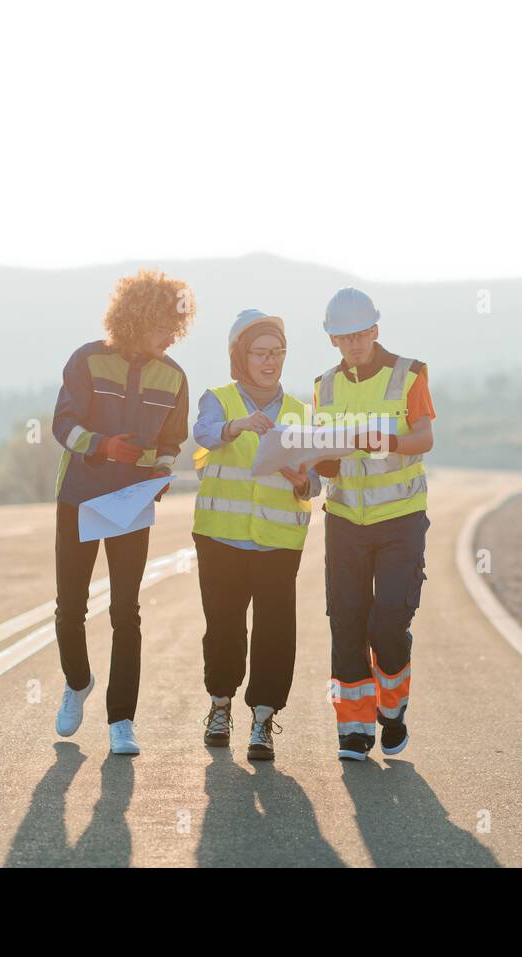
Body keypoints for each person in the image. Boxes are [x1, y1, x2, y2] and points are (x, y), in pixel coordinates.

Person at [51, 268, 193, 756]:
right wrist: (104, 446)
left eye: (179, 326)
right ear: (137, 319)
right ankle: (77, 682)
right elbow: (62, 426)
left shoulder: (174, 376)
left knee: (125, 612)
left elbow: (173, 442)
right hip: (80, 498)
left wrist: (162, 474)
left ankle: (122, 722)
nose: (173, 335)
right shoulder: (87, 360)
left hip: (131, 505)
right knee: (70, 608)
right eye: (165, 325)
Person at [191, 309, 321, 761]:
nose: (270, 361)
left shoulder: (302, 413)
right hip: (220, 538)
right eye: (260, 353)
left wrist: (299, 478)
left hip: (278, 542)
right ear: (239, 357)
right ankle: (220, 706)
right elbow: (202, 434)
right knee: (224, 627)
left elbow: (315, 482)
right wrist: (237, 427)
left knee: (275, 633)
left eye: (278, 352)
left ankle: (263, 721)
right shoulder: (220, 399)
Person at [313, 287, 435, 761]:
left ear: (375, 330)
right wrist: (318, 459)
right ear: (333, 341)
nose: (354, 345)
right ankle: (354, 730)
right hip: (344, 519)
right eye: (344, 338)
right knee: (345, 622)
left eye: (361, 335)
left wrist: (387, 439)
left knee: (387, 621)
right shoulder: (323, 385)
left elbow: (424, 437)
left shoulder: (410, 374)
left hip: (399, 518)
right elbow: (323, 451)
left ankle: (393, 709)